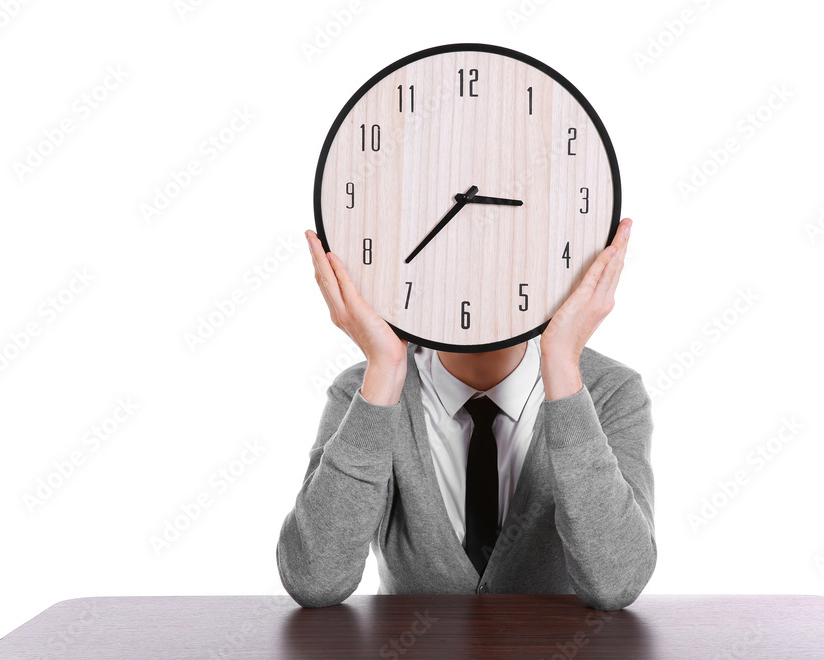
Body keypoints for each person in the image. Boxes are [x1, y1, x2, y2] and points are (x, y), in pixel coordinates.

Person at [276, 217, 655, 611]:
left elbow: (617, 584)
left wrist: (561, 363)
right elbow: (313, 579)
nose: (477, 279)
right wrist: (385, 371)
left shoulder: (610, 391)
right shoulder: (365, 390)